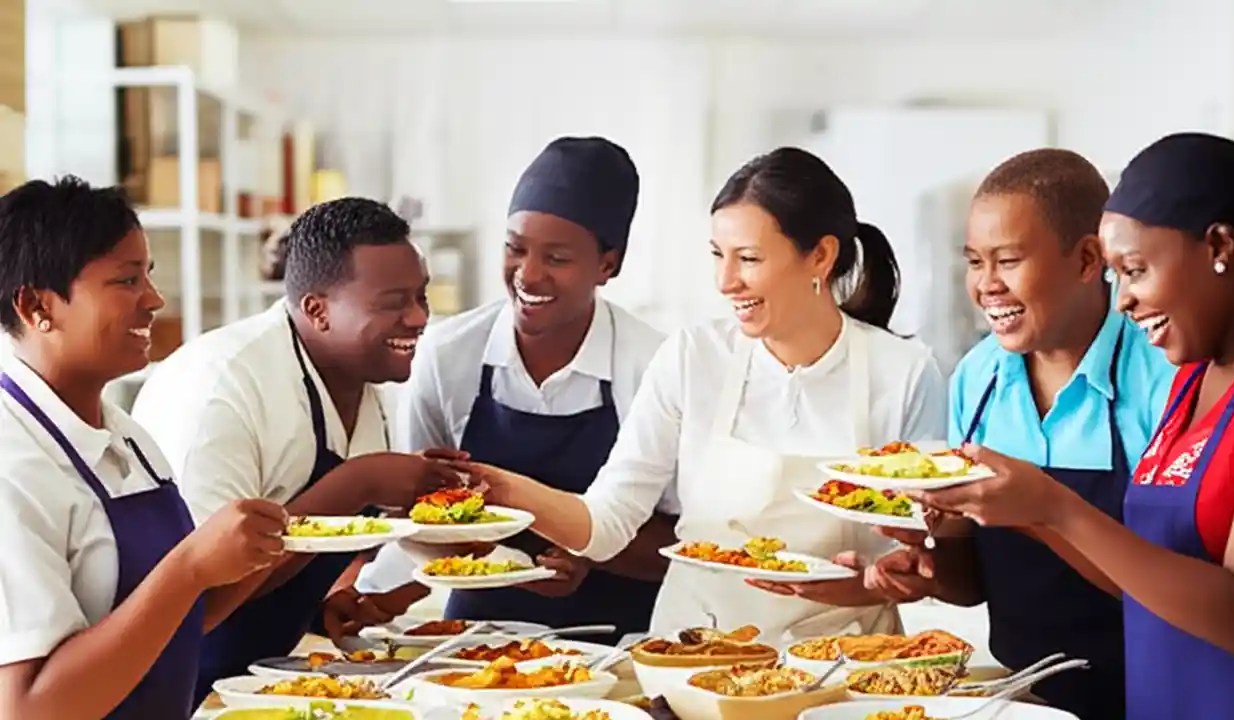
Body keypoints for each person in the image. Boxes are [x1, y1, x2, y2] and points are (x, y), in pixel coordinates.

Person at [454, 147, 947, 642]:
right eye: (717, 255)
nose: (725, 282)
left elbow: (928, 549)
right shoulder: (692, 357)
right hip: (696, 654)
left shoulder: (903, 372)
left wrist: (877, 582)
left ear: (820, 255)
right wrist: (499, 488)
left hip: (848, 663)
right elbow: (606, 524)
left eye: (748, 259)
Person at [909, 132, 1234, 719]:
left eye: (1134, 270)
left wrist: (1053, 507)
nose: (1123, 300)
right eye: (1117, 274)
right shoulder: (1190, 379)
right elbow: (1135, 574)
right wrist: (1019, 516)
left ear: (1219, 247)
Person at [858, 149, 1173, 719]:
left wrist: (1039, 512)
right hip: (1024, 697)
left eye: (1007, 261)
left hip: (1154, 697)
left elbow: (1181, 591)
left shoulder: (1164, 377)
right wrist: (927, 570)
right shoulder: (977, 378)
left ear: (1087, 259)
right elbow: (972, 581)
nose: (986, 286)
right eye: (974, 262)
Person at [131, 197, 458, 699]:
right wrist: (357, 483)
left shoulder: (367, 382)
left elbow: (346, 549)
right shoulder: (221, 387)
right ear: (316, 310)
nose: (418, 318)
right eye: (394, 302)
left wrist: (327, 604)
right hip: (182, 686)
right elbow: (198, 594)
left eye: (421, 296)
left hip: (266, 677)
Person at [356, 136, 674, 645]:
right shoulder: (448, 355)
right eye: (515, 248)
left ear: (607, 265)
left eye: (558, 258)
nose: (528, 274)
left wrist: (589, 551)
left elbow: (681, 545)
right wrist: (381, 594)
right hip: (475, 643)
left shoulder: (656, 365)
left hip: (624, 642)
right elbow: (423, 512)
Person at [0, 177, 287, 718]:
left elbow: (174, 622)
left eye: (148, 276)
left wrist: (268, 544)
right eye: (127, 280)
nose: (154, 300)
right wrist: (191, 567)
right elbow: (28, 708)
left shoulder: (127, 435)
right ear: (37, 306)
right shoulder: (12, 464)